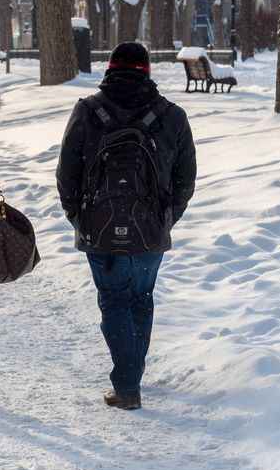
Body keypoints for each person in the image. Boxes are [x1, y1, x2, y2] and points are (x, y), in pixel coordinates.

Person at [56, 42, 196, 411]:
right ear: (147, 71)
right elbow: (185, 180)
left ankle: (128, 383)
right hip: (151, 230)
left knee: (114, 301)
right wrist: (166, 219)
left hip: (99, 229)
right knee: (141, 300)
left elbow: (67, 175)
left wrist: (80, 219)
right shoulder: (172, 116)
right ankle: (132, 372)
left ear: (109, 69)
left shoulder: (88, 112)